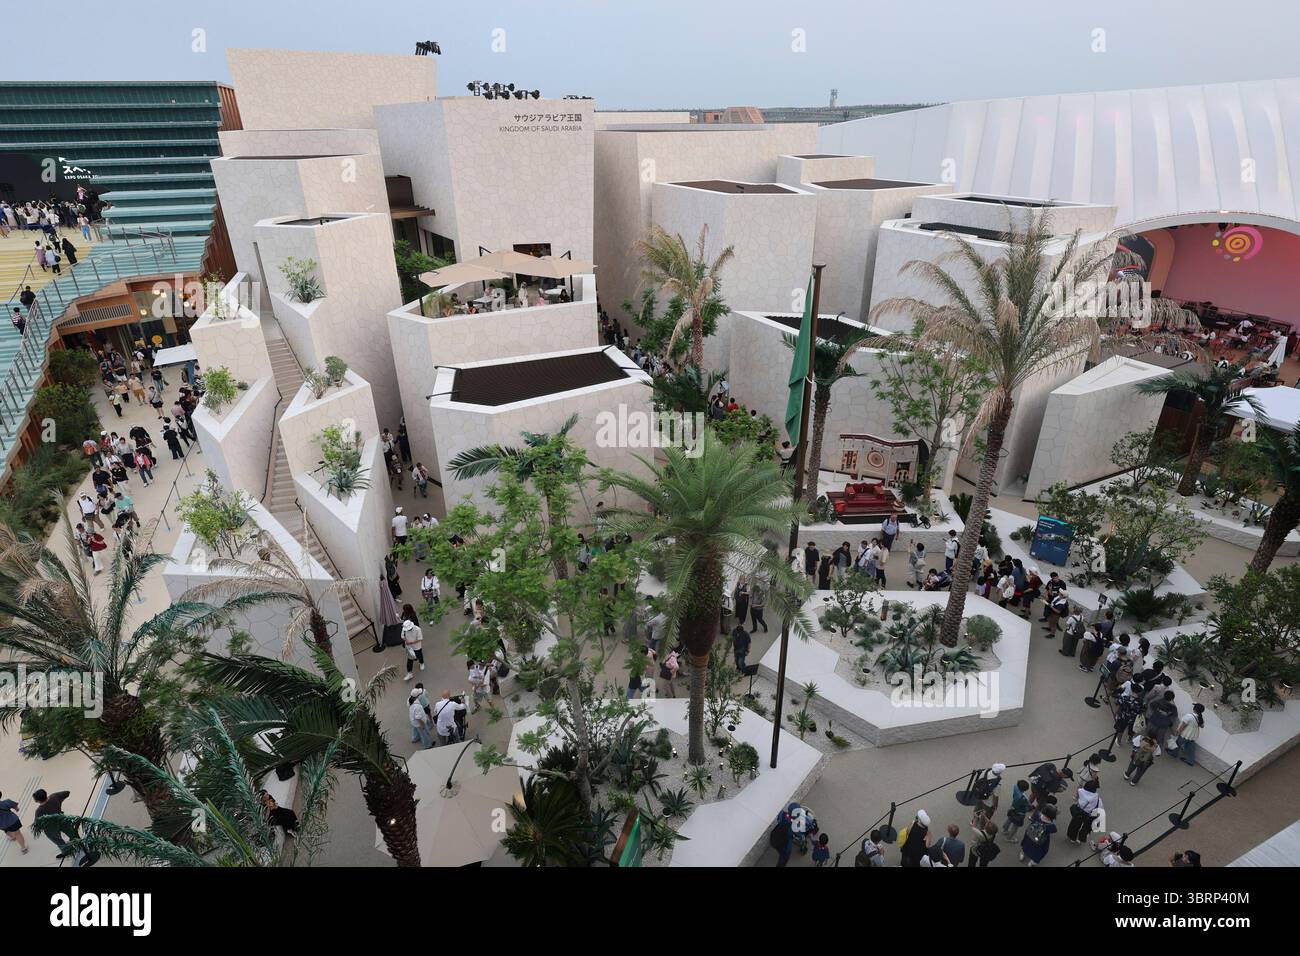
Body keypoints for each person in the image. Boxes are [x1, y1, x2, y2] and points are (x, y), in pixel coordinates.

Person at [1067, 779, 1103, 844]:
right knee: (1085, 828)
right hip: (1088, 816)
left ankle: (1072, 837)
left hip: (1079, 812)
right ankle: (1080, 838)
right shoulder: (1097, 799)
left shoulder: (1081, 792)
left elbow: (1077, 798)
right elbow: (1099, 809)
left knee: (1074, 825)